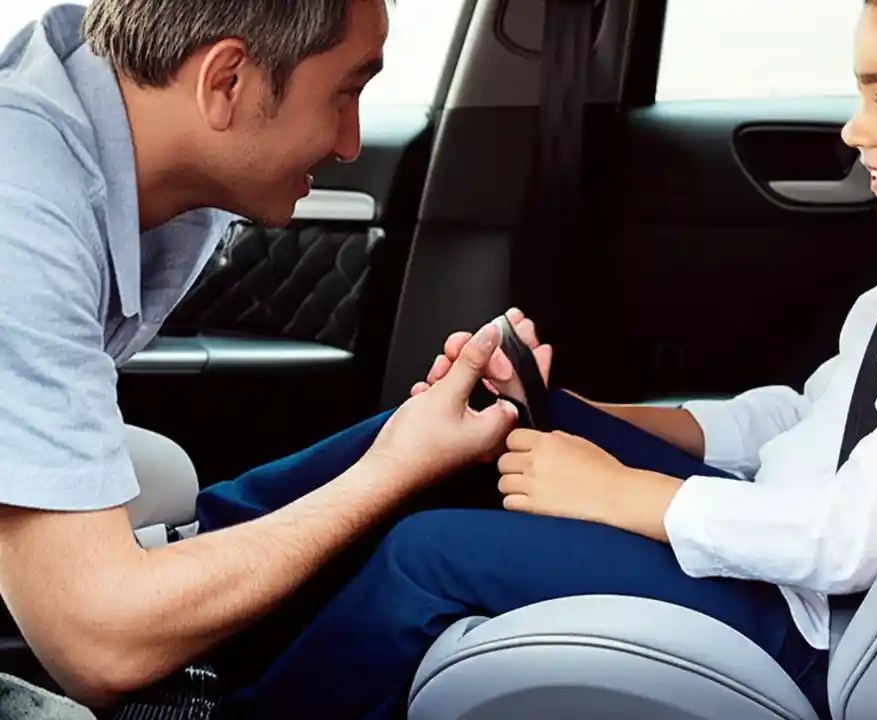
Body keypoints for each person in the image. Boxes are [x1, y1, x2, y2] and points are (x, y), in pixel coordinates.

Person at [196, 0, 877, 717]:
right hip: (773, 537)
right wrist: (589, 417)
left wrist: (622, 493)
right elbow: (806, 417)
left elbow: (854, 540)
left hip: (809, 622)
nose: (851, 129)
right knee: (483, 422)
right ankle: (208, 554)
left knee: (429, 556)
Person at [0, 0, 522, 712]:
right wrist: (393, 473)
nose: (350, 142)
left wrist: (406, 444)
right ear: (227, 82)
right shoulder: (21, 212)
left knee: (173, 486)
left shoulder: (136, 123)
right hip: (94, 633)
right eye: (345, 92)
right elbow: (103, 643)